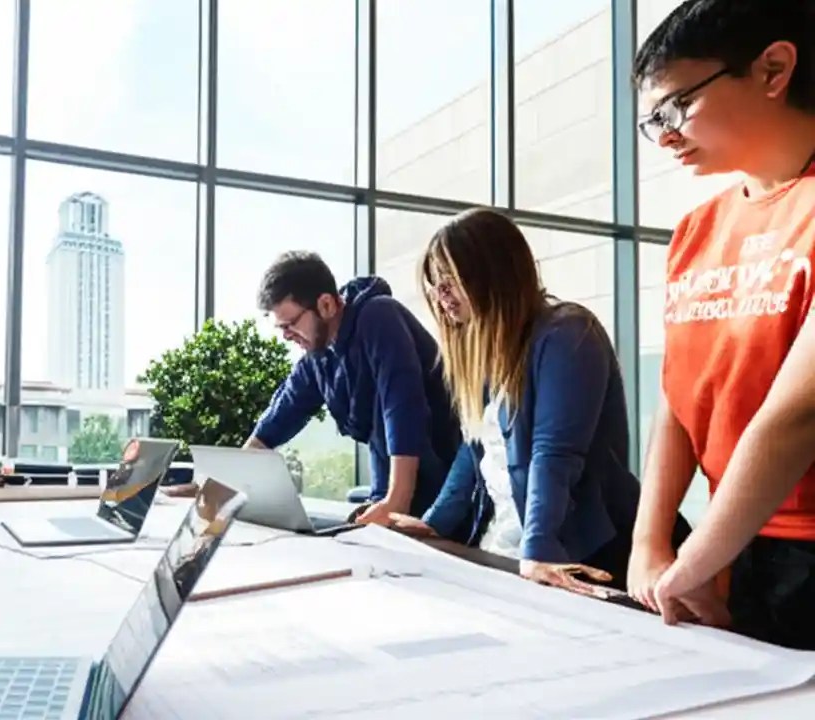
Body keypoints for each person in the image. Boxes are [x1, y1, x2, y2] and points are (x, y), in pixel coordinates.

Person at [628, 0, 815, 646]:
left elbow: (797, 417)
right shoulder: (695, 232)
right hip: (730, 544)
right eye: (653, 122)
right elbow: (679, 398)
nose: (666, 135)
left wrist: (697, 557)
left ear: (773, 68)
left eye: (677, 107)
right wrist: (651, 541)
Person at [360, 209, 666, 593]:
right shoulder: (490, 351)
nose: (441, 296)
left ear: (491, 272)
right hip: (507, 547)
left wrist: (538, 548)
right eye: (436, 285)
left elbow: (555, 454)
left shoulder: (568, 333)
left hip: (579, 553)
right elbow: (475, 453)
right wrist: (435, 522)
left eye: (449, 280)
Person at [244, 251, 462, 521]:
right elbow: (277, 419)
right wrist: (221, 489)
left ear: (325, 305)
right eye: (281, 329)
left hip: (446, 496)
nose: (287, 336)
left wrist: (396, 501)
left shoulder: (379, 316)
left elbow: (403, 409)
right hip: (392, 496)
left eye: (290, 324)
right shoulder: (319, 355)